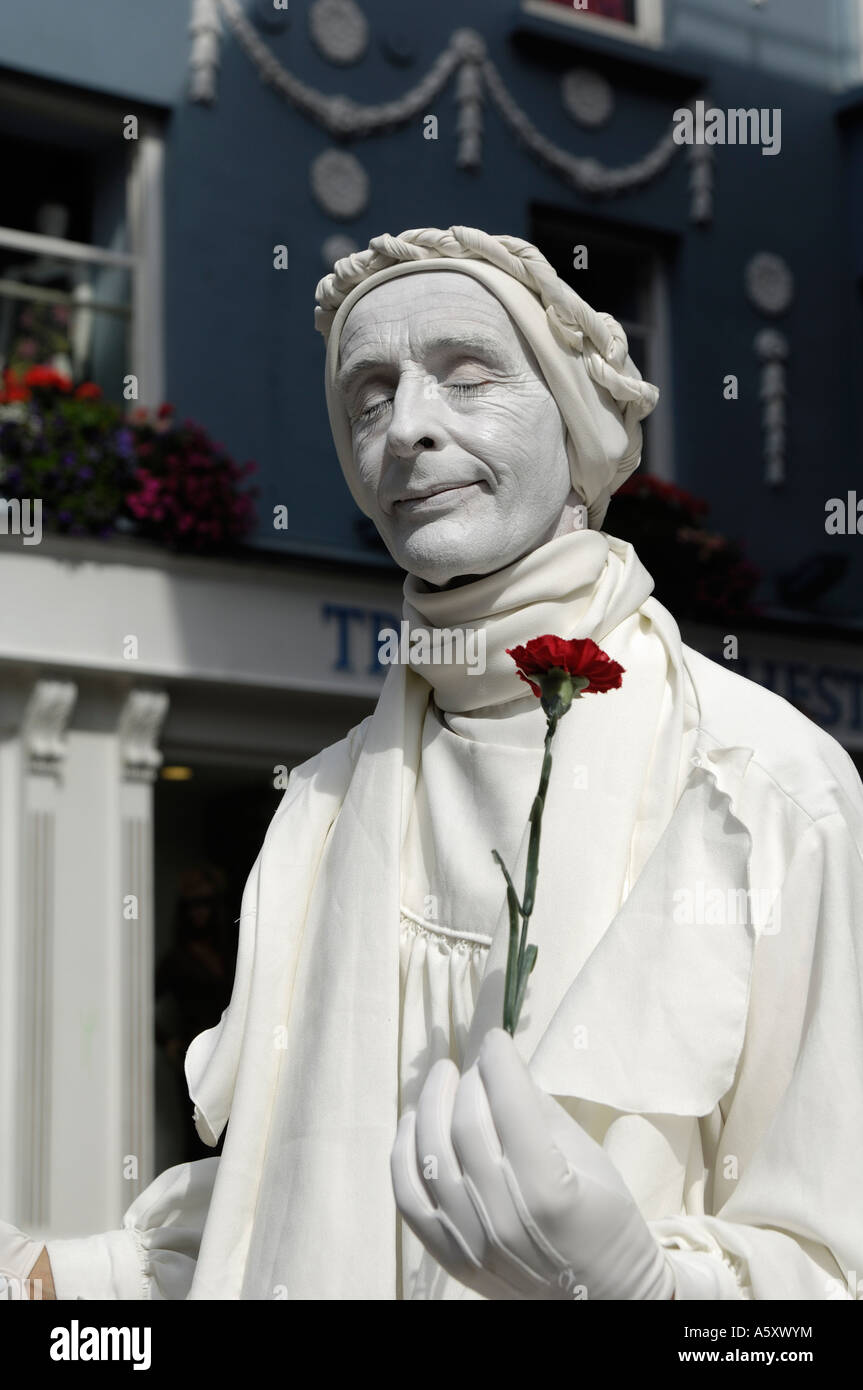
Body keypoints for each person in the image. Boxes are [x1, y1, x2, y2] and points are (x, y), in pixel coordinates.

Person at [2, 225, 862, 1301]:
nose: (404, 429)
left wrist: (645, 1291)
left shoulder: (760, 790)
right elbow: (284, 1218)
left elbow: (825, 1266)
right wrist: (53, 1278)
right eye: (367, 397)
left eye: (466, 378)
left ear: (574, 418)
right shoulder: (317, 805)